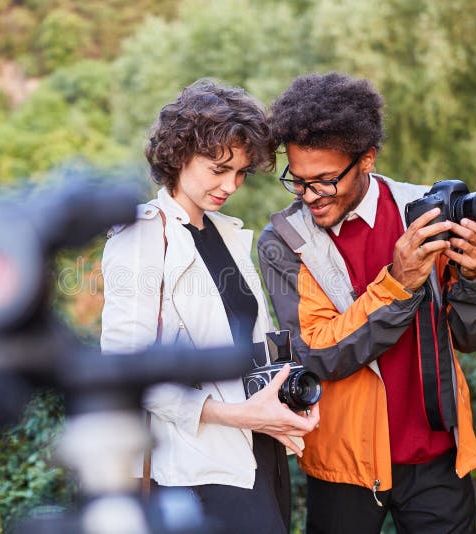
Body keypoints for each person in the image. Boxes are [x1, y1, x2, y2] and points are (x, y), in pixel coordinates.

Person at [257, 72, 476, 533]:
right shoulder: (282, 242)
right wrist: (399, 283)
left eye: (326, 181)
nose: (310, 196)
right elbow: (318, 354)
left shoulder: (428, 211)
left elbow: (473, 336)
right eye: (298, 180)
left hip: (436, 455)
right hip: (343, 462)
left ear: (367, 158)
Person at [100, 79, 319, 534]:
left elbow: (248, 347)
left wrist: (280, 411)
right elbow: (128, 368)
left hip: (258, 448)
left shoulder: (227, 233)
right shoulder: (141, 235)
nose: (230, 185)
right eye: (218, 168)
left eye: (240, 172)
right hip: (196, 468)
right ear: (179, 154)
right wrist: (239, 414)